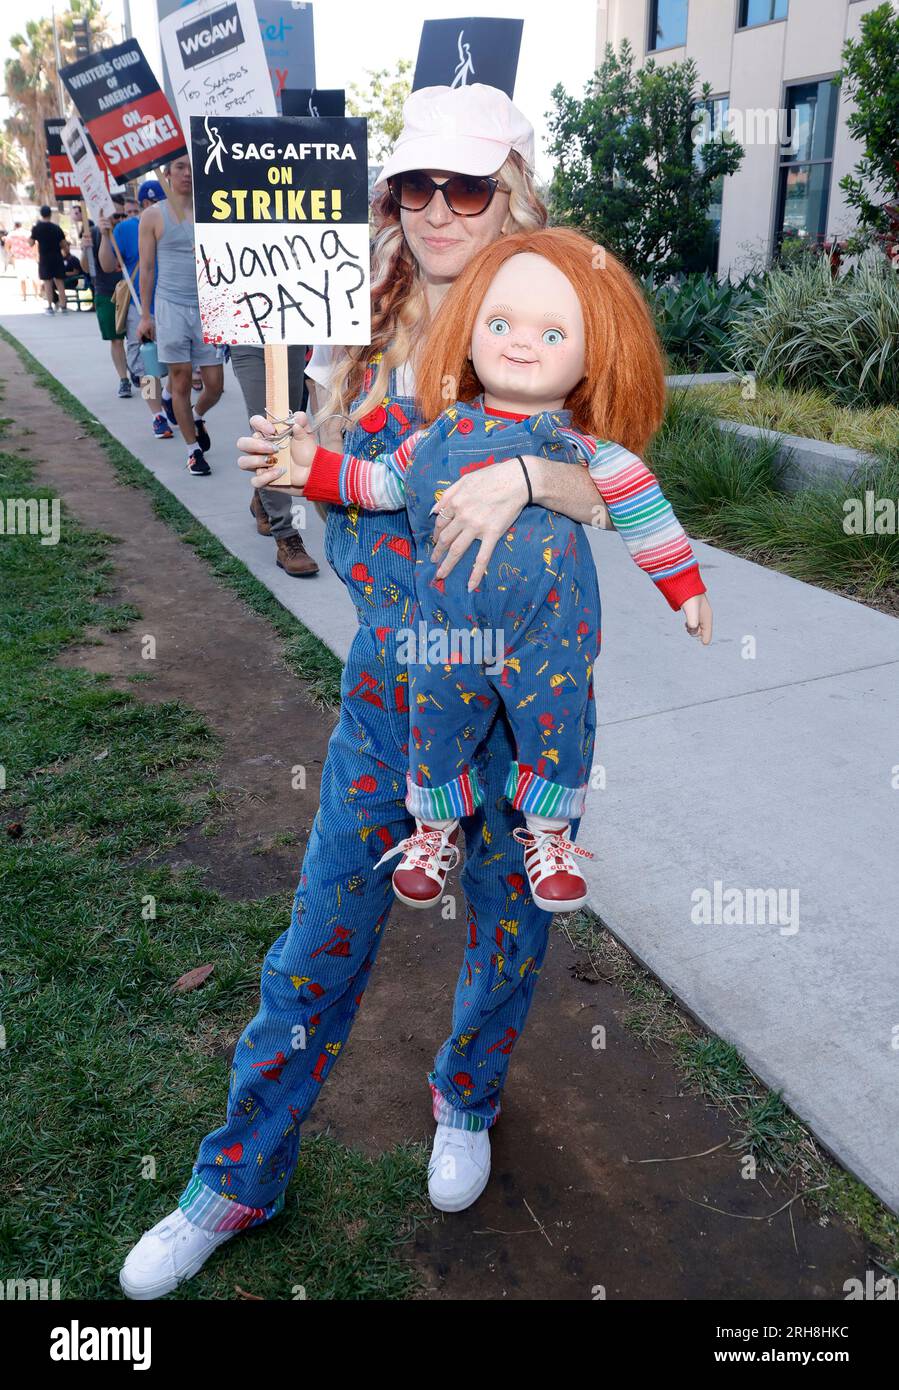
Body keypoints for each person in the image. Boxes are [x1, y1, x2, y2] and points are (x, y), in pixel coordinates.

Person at [120, 83, 702, 1299]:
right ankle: (237, 1171)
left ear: (512, 191)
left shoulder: (552, 305)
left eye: (465, 185)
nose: (437, 208)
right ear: (390, 199)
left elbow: (629, 487)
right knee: (318, 943)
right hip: (390, 699)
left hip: (526, 706)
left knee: (508, 925)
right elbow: (356, 490)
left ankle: (466, 1096)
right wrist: (297, 457)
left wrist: (534, 483)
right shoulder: (356, 319)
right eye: (415, 186)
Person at [285, 227, 709, 914]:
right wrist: (317, 472)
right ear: (471, 325)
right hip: (445, 632)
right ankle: (432, 830)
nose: (519, 342)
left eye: (551, 335)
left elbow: (638, 504)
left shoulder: (573, 445)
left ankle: (547, 838)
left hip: (548, 638)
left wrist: (683, 585)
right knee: (436, 719)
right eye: (502, 322)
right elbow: (383, 483)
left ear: (593, 354)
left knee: (553, 723)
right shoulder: (439, 432)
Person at [137, 154, 223, 476]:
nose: (187, 173)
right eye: (179, 167)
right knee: (179, 379)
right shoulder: (152, 216)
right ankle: (192, 449)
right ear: (167, 173)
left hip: (207, 308)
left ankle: (196, 416)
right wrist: (145, 315)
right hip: (170, 308)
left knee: (214, 385)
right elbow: (146, 269)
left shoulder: (213, 212)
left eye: (192, 166)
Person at [230, 344, 319, 576]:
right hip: (249, 338)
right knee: (270, 428)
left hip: (292, 335)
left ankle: (262, 497)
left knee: (290, 424)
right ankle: (287, 536)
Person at [101, 185, 172, 438]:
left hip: (173, 306)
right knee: (146, 368)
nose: (154, 206)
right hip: (140, 308)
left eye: (159, 200)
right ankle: (158, 416)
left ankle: (168, 397)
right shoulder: (125, 228)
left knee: (178, 366)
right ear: (142, 204)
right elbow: (108, 265)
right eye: (150, 202)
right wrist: (104, 235)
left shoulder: (179, 222)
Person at [80, 198, 130, 398]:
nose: (117, 220)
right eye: (114, 216)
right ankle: (124, 379)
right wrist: (85, 249)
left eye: (121, 215)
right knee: (116, 340)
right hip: (107, 294)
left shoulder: (131, 231)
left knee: (144, 346)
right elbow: (87, 269)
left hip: (134, 293)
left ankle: (152, 397)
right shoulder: (93, 234)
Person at [30, 205, 68, 315]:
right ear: (50, 214)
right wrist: (65, 252)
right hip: (57, 257)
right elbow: (63, 244)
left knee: (48, 283)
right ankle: (63, 306)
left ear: (41, 214)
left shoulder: (37, 228)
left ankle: (50, 306)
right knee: (60, 283)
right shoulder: (56, 228)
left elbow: (31, 243)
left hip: (45, 258)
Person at [5, 222, 39, 302]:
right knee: (34, 278)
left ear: (15, 225)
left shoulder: (11, 234)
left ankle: (24, 296)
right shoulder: (28, 233)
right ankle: (36, 295)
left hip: (19, 259)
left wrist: (11, 254)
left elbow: (7, 246)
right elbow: (36, 244)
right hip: (31, 258)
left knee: (22, 279)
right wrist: (36, 254)